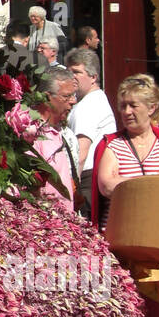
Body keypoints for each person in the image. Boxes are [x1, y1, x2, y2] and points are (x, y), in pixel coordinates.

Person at [92, 74, 159, 317]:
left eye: (133, 105)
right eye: (122, 105)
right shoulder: (111, 143)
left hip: (158, 249)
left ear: (152, 108)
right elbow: (107, 185)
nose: (126, 112)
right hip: (118, 249)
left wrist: (132, 183)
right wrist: (154, 184)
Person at [65, 46, 116, 211]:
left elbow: (80, 153)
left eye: (77, 72)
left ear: (93, 77)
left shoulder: (89, 105)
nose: (71, 76)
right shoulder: (93, 100)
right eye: (68, 71)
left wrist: (72, 188)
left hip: (87, 181)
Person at [29, 67, 78, 212]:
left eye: (73, 95)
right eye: (66, 96)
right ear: (46, 97)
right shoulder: (31, 134)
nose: (73, 101)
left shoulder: (61, 132)